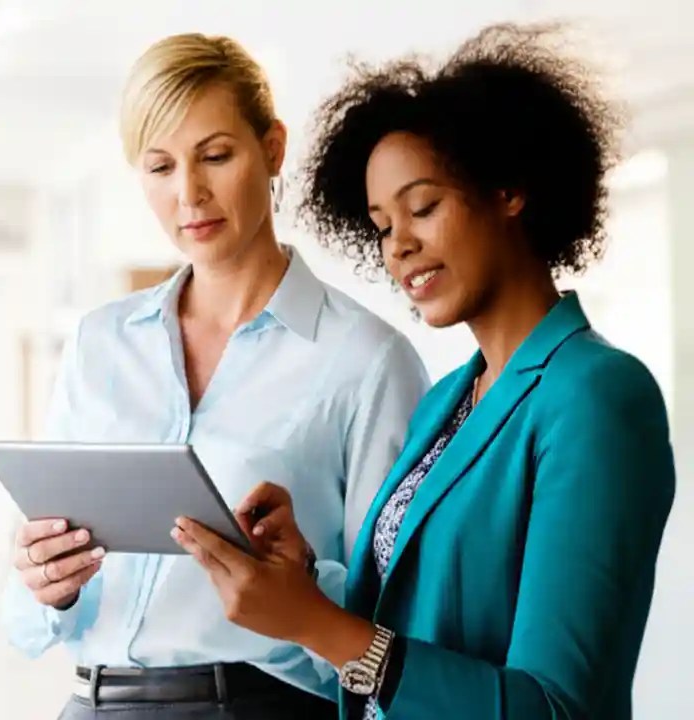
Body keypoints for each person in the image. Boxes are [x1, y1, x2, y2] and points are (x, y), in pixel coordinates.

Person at [171, 23, 676, 719]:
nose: (399, 245)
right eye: (380, 224)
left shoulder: (595, 394)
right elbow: (409, 631)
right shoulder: (448, 401)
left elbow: (554, 708)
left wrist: (311, 622)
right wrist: (303, 584)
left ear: (509, 190)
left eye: (423, 207)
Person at [2, 33, 430, 719]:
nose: (189, 193)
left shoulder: (365, 361)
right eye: (160, 167)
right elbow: (34, 605)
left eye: (216, 156)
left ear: (273, 149)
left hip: (260, 705)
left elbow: (392, 621)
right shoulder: (101, 343)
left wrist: (297, 586)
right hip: (93, 702)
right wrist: (49, 579)